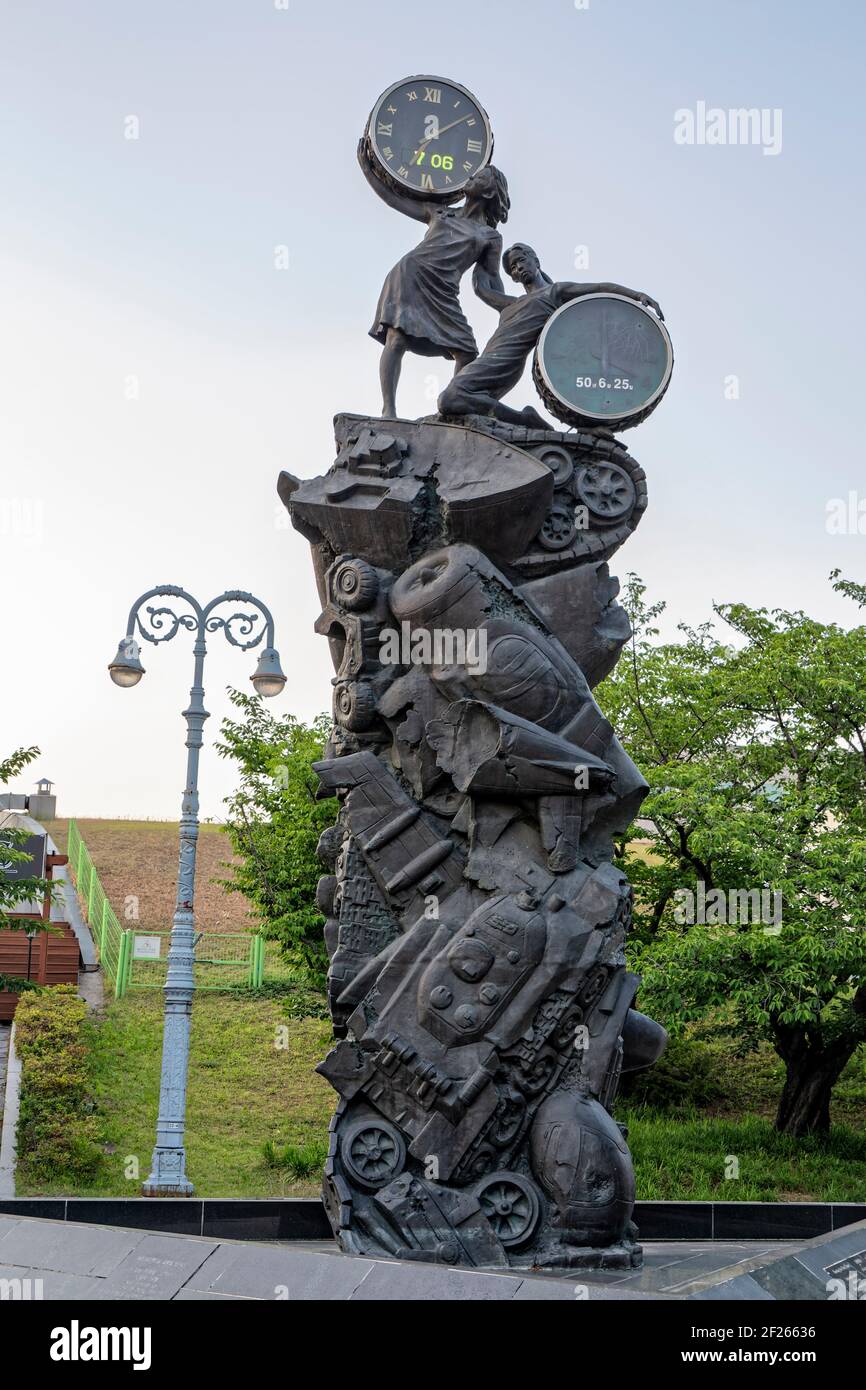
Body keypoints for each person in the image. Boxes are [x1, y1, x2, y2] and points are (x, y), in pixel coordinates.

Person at [359, 141, 510, 418]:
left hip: (444, 289)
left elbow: (487, 281)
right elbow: (395, 200)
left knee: (466, 350)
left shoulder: (489, 236)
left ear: (488, 190)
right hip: (411, 274)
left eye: (478, 177)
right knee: (397, 339)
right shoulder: (439, 212)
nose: (470, 178)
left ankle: (455, 410)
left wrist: (509, 306)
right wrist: (368, 170)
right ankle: (388, 410)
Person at [438, 242, 663, 427]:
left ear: (536, 261)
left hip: (506, 362)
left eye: (521, 261)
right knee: (462, 404)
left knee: (451, 398)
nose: (518, 269)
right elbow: (481, 288)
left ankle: (527, 421)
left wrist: (635, 295)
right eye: (513, 269)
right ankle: (520, 422)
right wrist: (485, 242)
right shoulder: (510, 304)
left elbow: (598, 288)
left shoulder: (553, 293)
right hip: (489, 358)